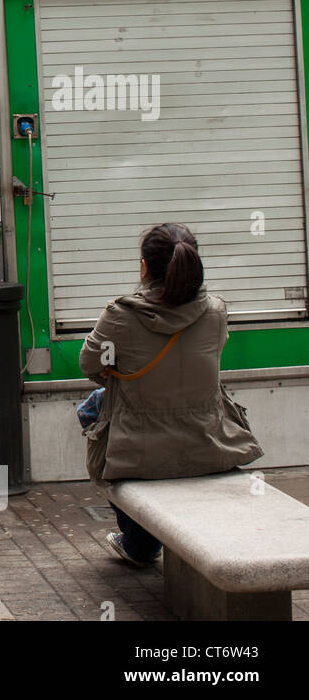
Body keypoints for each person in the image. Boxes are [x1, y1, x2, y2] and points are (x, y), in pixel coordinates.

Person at [79, 223, 262, 567]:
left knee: (90, 411)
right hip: (211, 442)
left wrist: (116, 367)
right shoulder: (216, 311)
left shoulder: (120, 315)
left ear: (144, 267)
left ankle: (139, 541)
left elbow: (90, 366)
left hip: (138, 452)